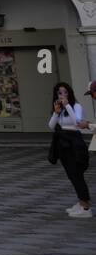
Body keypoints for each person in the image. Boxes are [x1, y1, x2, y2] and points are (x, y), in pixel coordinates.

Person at [49, 81, 90, 217]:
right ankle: (81, 202)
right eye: (59, 93)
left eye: (65, 92)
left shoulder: (76, 106)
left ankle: (85, 207)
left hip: (74, 142)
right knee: (71, 174)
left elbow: (77, 122)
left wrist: (68, 106)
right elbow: (51, 125)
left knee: (77, 174)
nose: (62, 95)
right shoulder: (59, 109)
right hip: (62, 142)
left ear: (70, 93)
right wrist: (56, 113)